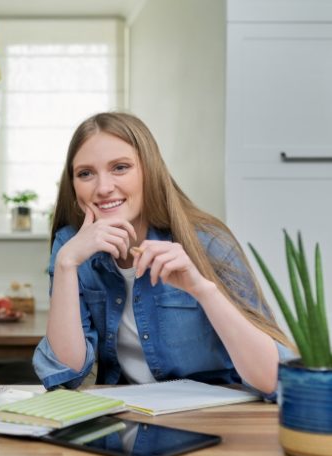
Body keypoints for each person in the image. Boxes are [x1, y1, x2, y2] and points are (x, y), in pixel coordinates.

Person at [33, 112, 295, 396]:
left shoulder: (208, 241)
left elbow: (273, 379)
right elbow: (66, 374)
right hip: (129, 417)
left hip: (218, 412)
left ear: (149, 171)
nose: (104, 188)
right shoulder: (71, 246)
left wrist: (202, 290)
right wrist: (66, 264)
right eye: (86, 173)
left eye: (120, 168)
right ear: (73, 185)